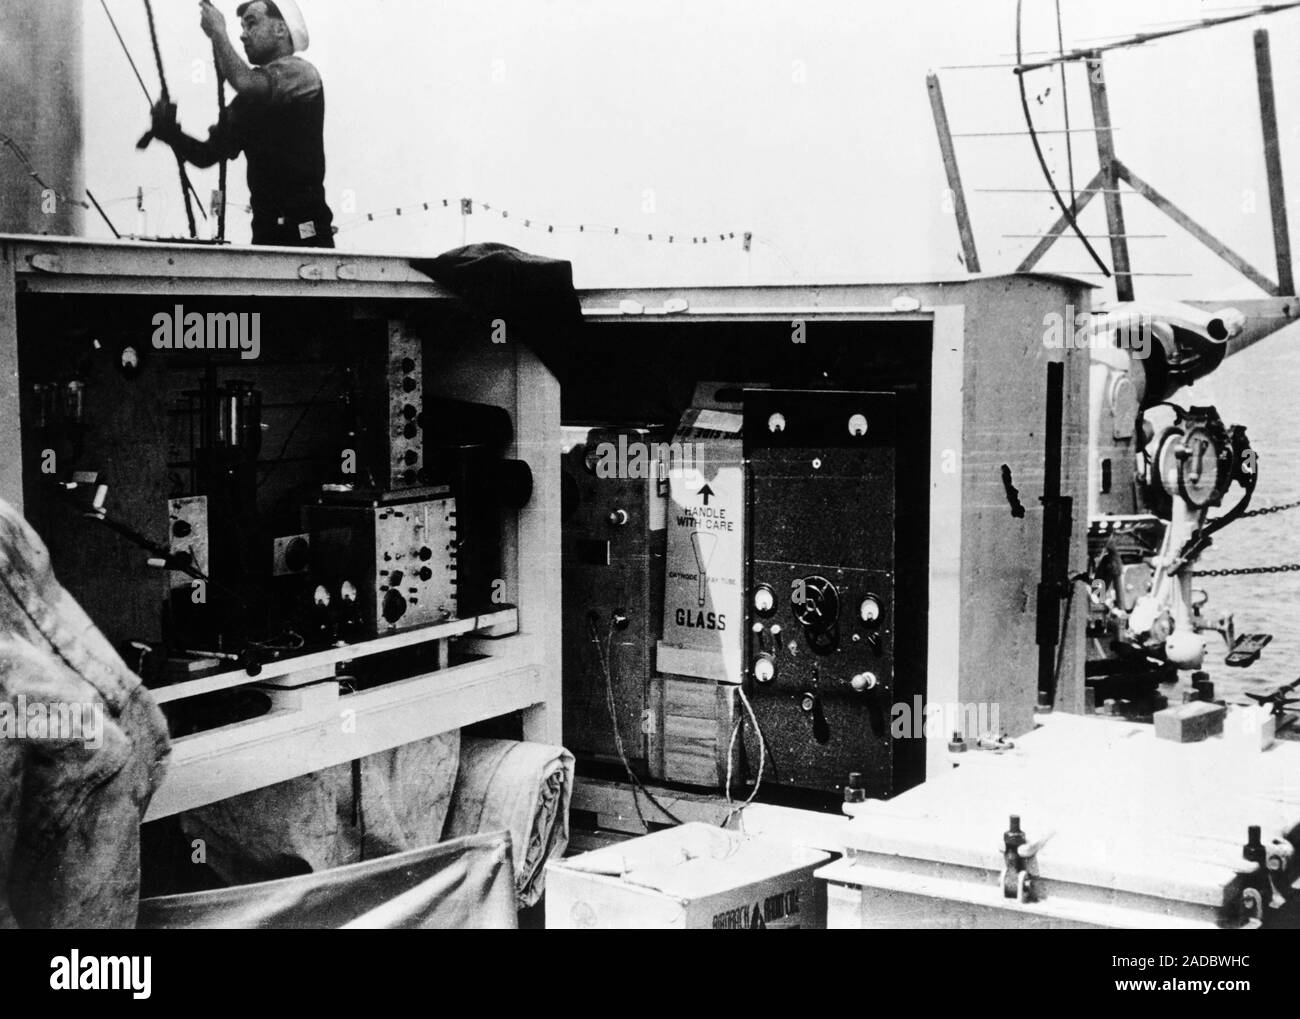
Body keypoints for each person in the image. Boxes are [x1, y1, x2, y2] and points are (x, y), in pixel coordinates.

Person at [150, 1, 334, 247]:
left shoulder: (301, 74)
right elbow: (207, 155)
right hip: (267, 234)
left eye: (252, 23)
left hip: (305, 232)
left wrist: (218, 33)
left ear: (281, 29)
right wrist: (171, 133)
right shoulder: (250, 100)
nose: (243, 34)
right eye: (242, 26)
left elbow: (243, 80)